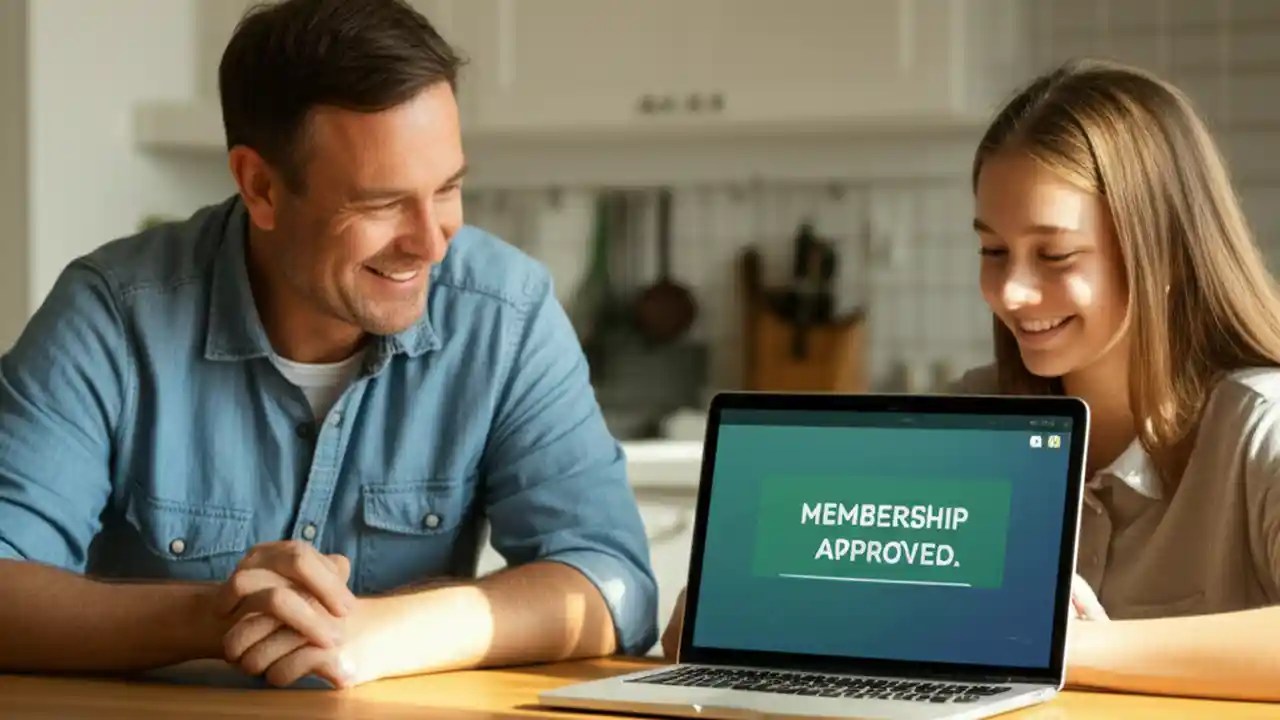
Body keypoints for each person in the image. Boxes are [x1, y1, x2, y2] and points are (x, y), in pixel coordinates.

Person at [0, 0, 656, 689]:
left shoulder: (506, 314)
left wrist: (380, 634)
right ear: (261, 187)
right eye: (380, 204)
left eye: (448, 189)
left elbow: (612, 584)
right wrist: (213, 617)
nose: (430, 242)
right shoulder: (113, 315)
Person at [664, 59, 1280, 702]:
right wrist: (743, 613)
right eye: (993, 251)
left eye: (1055, 255)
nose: (1011, 291)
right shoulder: (963, 424)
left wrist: (1058, 646)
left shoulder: (1260, 430)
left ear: (1165, 253)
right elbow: (703, 631)